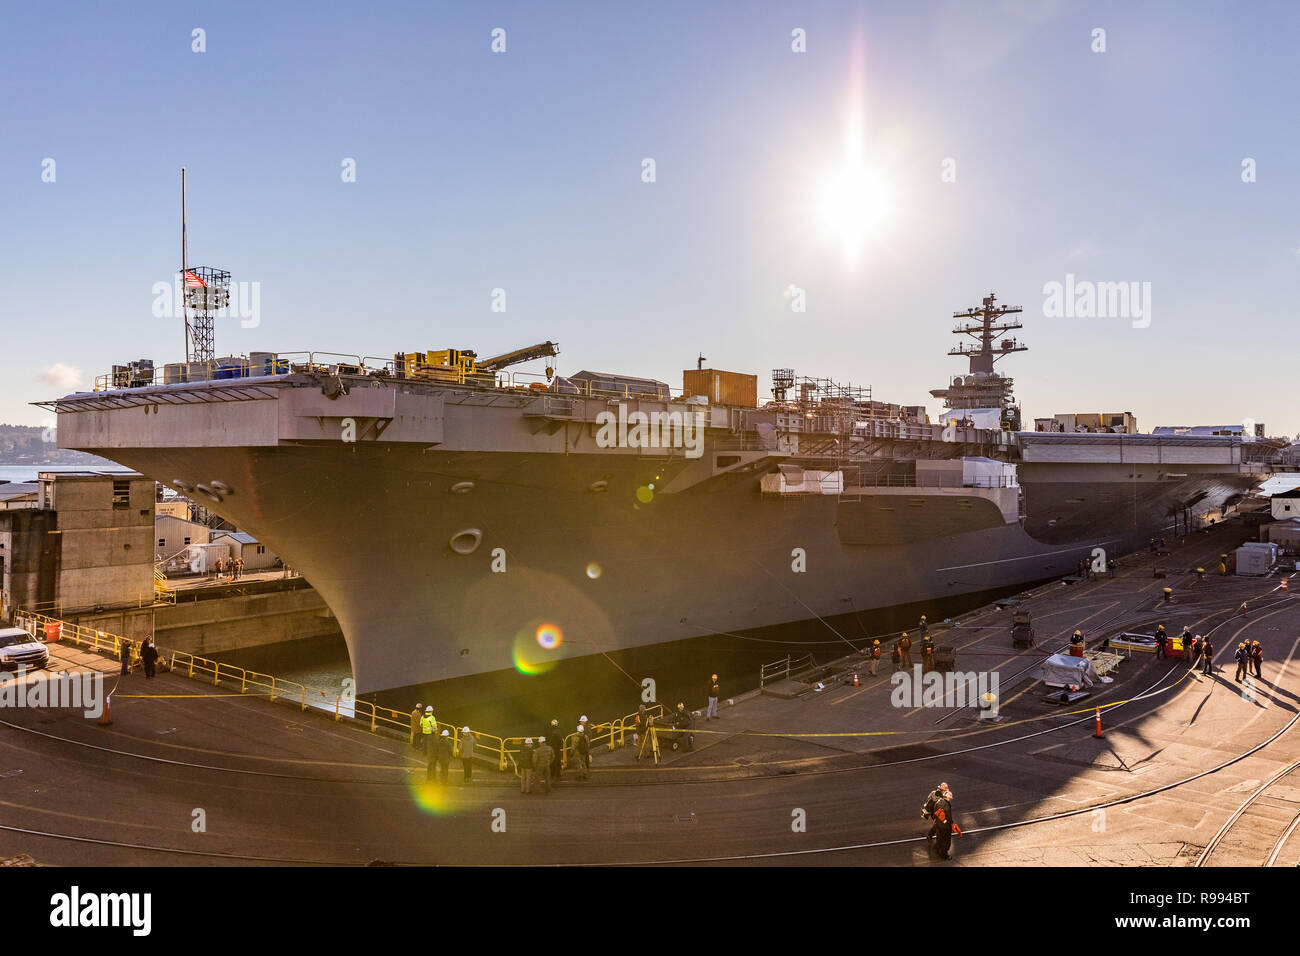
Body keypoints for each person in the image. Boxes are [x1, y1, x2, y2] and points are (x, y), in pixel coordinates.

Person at [932, 788, 961, 861]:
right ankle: (943, 854)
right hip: (945, 827)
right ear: (948, 797)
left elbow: (934, 813)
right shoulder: (946, 806)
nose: (950, 799)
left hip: (938, 825)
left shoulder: (938, 802)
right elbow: (948, 817)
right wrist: (952, 824)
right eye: (950, 798)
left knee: (939, 837)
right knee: (946, 841)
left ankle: (937, 848)